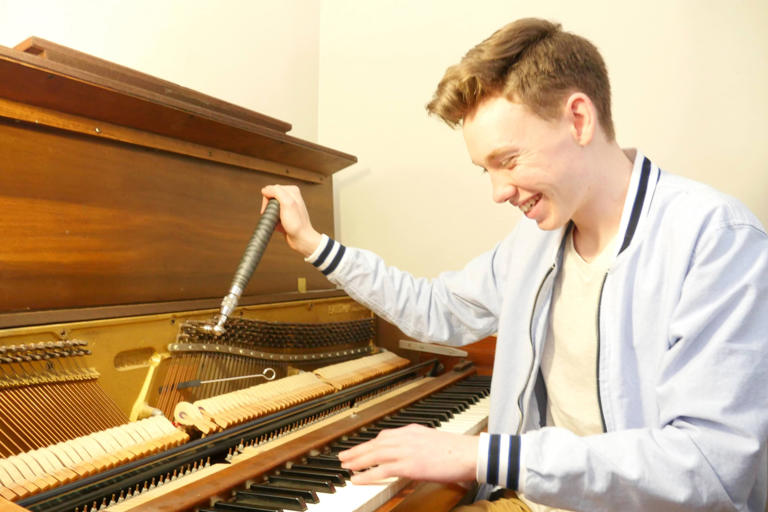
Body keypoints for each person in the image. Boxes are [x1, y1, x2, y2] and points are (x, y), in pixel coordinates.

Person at [261, 17, 768, 512]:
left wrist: (482, 455)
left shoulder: (716, 239)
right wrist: (314, 245)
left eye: (508, 161)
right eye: (487, 170)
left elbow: (709, 465)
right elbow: (439, 309)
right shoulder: (535, 239)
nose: (499, 192)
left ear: (579, 119)